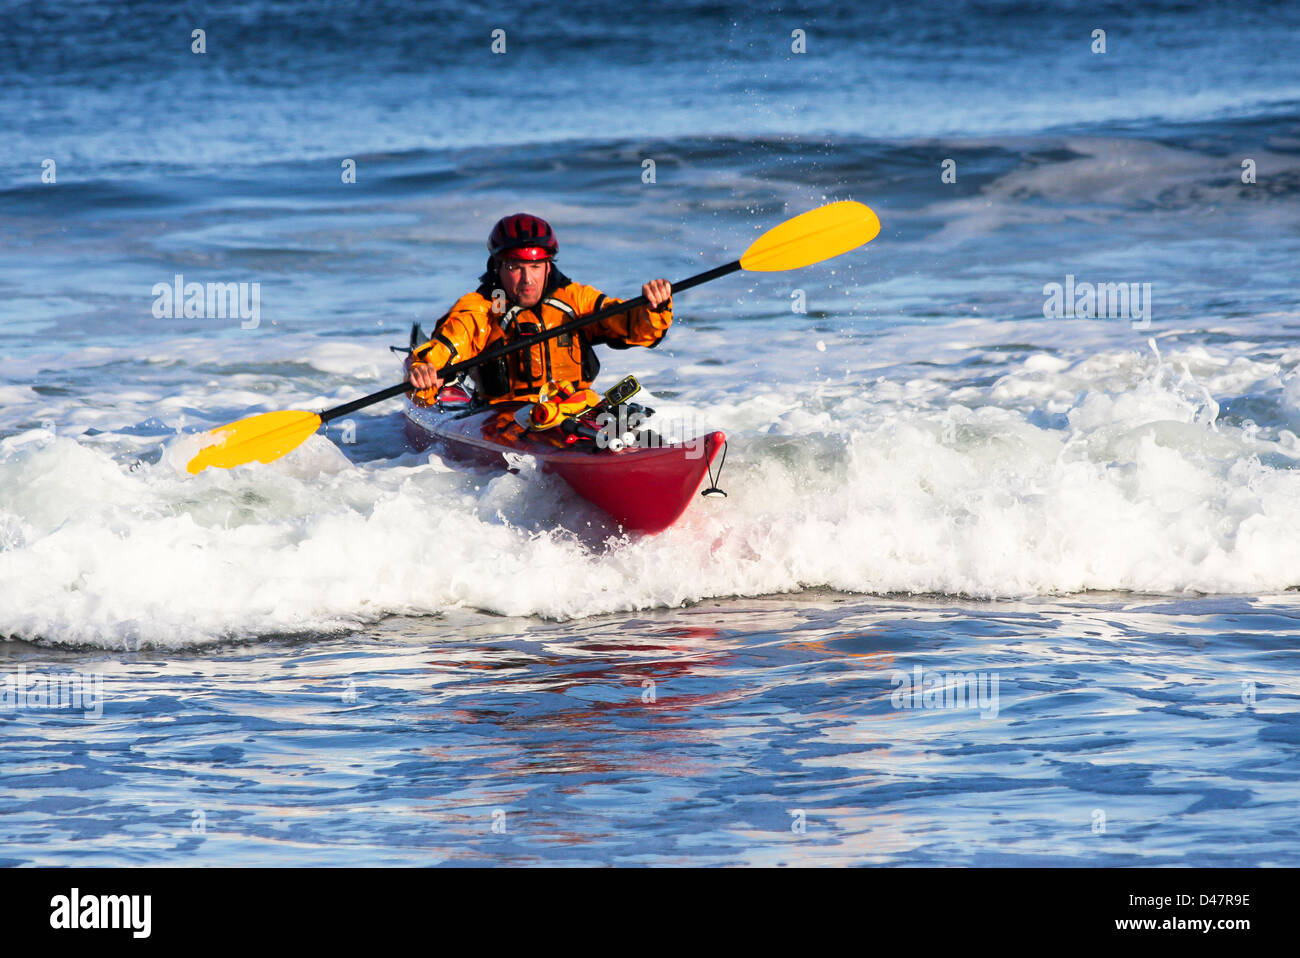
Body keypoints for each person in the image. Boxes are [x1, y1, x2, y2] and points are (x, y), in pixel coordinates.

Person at [407, 213, 673, 404]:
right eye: (515, 268)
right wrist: (423, 369)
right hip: (505, 417)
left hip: (577, 406)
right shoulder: (482, 309)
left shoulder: (575, 299)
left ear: (548, 265)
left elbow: (632, 324)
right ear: (497, 267)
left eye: (535, 267)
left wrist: (653, 307)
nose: (527, 279)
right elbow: (447, 345)